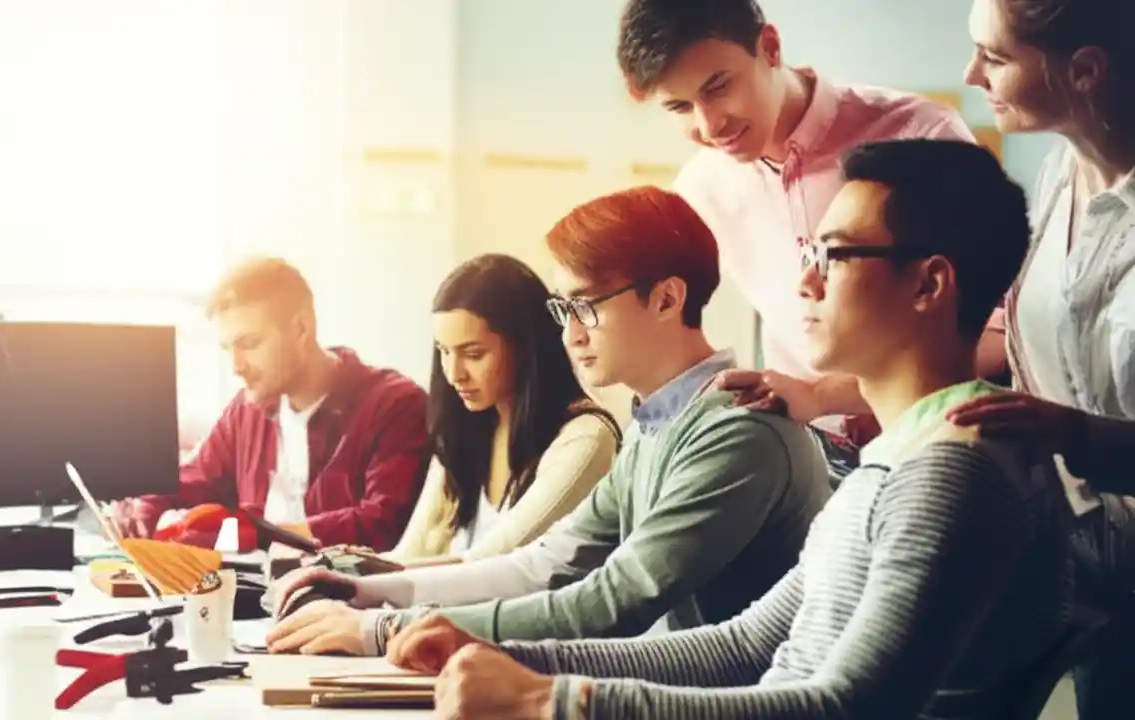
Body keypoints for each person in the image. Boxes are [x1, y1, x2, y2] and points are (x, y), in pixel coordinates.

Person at [400, 139, 1074, 720]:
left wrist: (551, 702)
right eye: (810, 251)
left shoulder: (953, 471)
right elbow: (744, 645)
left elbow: (848, 708)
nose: (803, 281)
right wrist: (501, 654)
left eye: (834, 256)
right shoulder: (901, 455)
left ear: (928, 286)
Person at [263, 186, 830, 656]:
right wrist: (367, 592)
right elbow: (544, 565)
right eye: (563, 310)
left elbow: (614, 602)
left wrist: (384, 630)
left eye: (586, 306)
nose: (570, 333)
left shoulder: (733, 430)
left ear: (666, 299)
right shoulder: (657, 423)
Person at [617, 0, 1005, 475]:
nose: (709, 124)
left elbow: (1000, 336)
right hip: (805, 458)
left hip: (939, 448)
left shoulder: (920, 136)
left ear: (771, 47)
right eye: (679, 107)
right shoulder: (700, 189)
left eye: (719, 87)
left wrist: (824, 395)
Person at [951, 1, 1135, 716]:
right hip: (1087, 563)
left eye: (994, 57)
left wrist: (1074, 435)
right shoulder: (1061, 170)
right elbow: (1029, 339)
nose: (972, 75)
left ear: (1085, 70)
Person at [108, 256, 430, 551]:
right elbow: (193, 481)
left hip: (346, 602)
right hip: (258, 597)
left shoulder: (395, 406)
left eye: (249, 344)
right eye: (228, 348)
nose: (236, 366)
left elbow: (384, 524)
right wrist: (142, 508)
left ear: (301, 329)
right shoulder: (247, 409)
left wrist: (260, 533)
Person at [390, 253, 620, 565]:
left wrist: (368, 582)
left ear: (525, 347)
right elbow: (409, 554)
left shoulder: (586, 436)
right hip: (444, 611)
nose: (454, 373)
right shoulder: (465, 428)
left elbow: (491, 563)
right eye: (444, 351)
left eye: (473, 354)